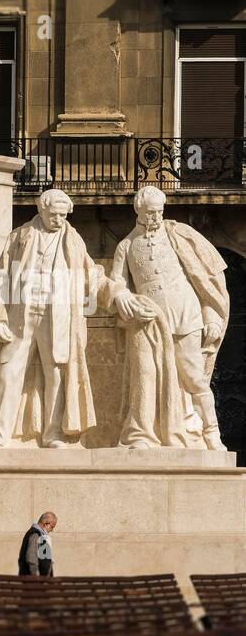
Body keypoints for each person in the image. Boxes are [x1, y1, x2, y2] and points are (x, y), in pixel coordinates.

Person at [0, 189, 112, 449]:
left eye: (63, 215)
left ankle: (53, 433)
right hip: (22, 314)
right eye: (54, 214)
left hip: (57, 315)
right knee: (8, 371)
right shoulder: (19, 236)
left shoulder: (73, 240)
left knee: (57, 374)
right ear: (41, 210)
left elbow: (91, 275)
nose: (58, 220)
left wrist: (116, 295)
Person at [109, 186, 229, 450]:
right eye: (150, 213)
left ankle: (211, 433)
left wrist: (212, 316)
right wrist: (120, 295)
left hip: (186, 315)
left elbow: (206, 279)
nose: (155, 218)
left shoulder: (180, 234)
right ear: (137, 210)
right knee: (145, 377)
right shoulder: (126, 246)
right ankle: (144, 433)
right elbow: (116, 280)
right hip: (149, 322)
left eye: (159, 212)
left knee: (193, 377)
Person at [18, 512, 57, 577]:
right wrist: (36, 577)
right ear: (46, 524)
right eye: (52, 527)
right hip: (34, 582)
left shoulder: (41, 535)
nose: (52, 530)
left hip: (40, 582)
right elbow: (31, 558)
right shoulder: (35, 534)